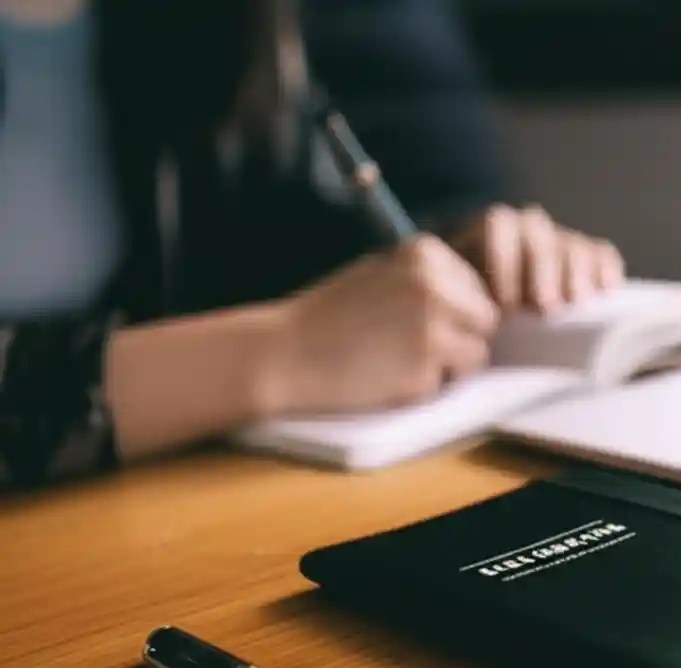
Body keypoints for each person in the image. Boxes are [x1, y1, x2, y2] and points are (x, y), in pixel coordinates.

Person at [0, 0, 625, 486]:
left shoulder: (221, 25)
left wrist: (455, 257)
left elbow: (276, 240)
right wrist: (276, 353)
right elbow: (294, 331)